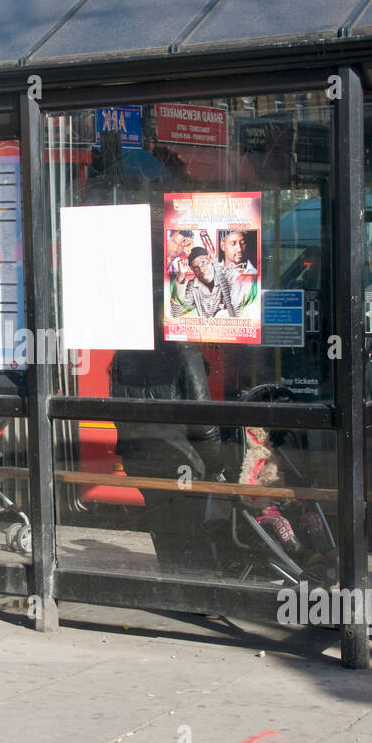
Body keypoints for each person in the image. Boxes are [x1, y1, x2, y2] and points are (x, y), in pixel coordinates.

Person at [109, 345, 225, 577]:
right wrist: (217, 462)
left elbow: (116, 410)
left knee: (161, 526)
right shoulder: (186, 356)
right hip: (182, 461)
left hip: (139, 458)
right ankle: (196, 590)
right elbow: (203, 420)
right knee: (192, 527)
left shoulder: (123, 356)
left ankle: (172, 584)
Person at [172, 246, 238, 320]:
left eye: (203, 262)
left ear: (210, 259)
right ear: (192, 270)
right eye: (196, 268)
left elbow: (238, 306)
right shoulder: (193, 286)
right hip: (208, 330)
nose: (201, 269)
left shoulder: (230, 275)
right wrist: (181, 276)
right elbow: (176, 312)